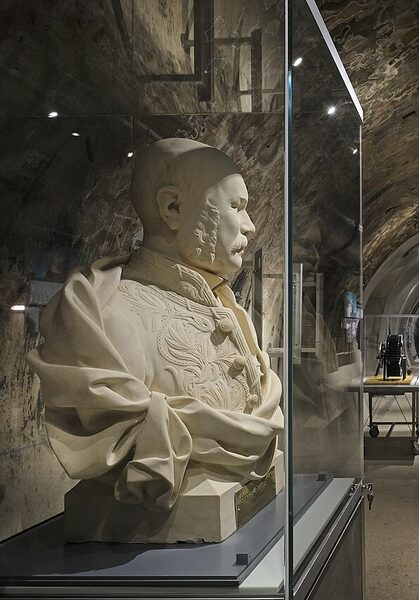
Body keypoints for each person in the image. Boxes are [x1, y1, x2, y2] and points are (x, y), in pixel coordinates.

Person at [27, 138, 284, 542]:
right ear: (173, 208)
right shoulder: (102, 321)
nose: (251, 225)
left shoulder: (229, 310)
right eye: (237, 206)